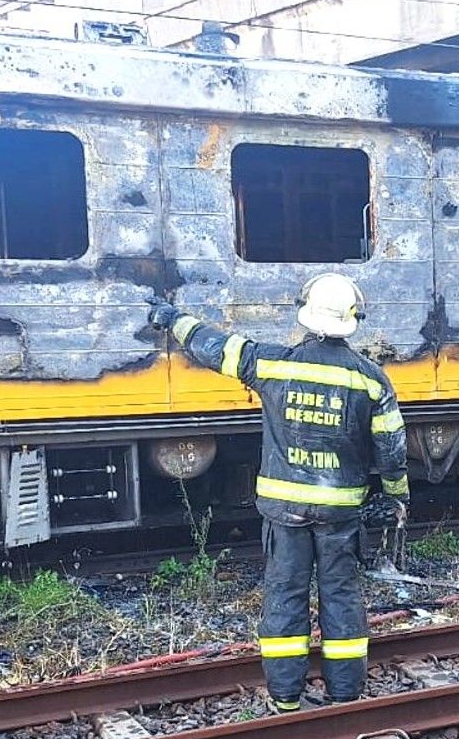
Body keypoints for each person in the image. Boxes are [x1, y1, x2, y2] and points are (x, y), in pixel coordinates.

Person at [147, 274, 409, 710]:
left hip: (283, 510)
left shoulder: (272, 366)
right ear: (352, 320)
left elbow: (217, 348)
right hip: (341, 513)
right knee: (341, 594)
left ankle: (286, 698)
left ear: (305, 315)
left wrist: (173, 319)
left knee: (285, 594)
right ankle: (344, 695)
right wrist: (397, 498)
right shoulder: (371, 380)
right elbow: (392, 450)